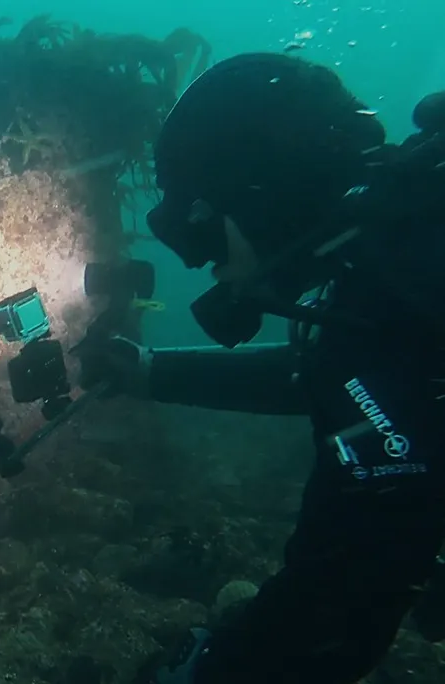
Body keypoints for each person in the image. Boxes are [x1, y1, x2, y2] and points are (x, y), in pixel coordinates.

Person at [73, 53, 445, 684]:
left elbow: (343, 604)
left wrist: (210, 670)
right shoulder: (395, 257)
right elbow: (333, 374)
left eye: (202, 226)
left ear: (265, 200)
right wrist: (153, 373)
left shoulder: (409, 278)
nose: (196, 261)